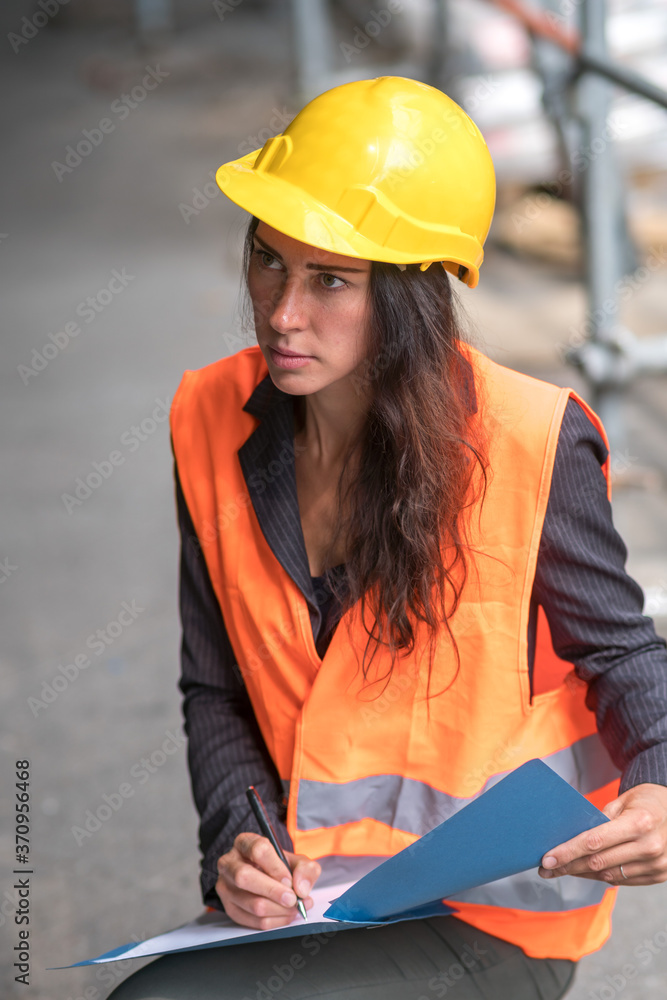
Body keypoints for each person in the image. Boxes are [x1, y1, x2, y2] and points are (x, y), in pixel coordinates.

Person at [108, 77, 667, 1000]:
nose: (283, 312)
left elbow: (622, 652)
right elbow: (215, 685)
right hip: (312, 896)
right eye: (267, 262)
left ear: (412, 293)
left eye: (331, 279)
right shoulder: (209, 416)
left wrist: (659, 786)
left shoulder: (531, 440)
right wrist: (237, 841)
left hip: (497, 911)